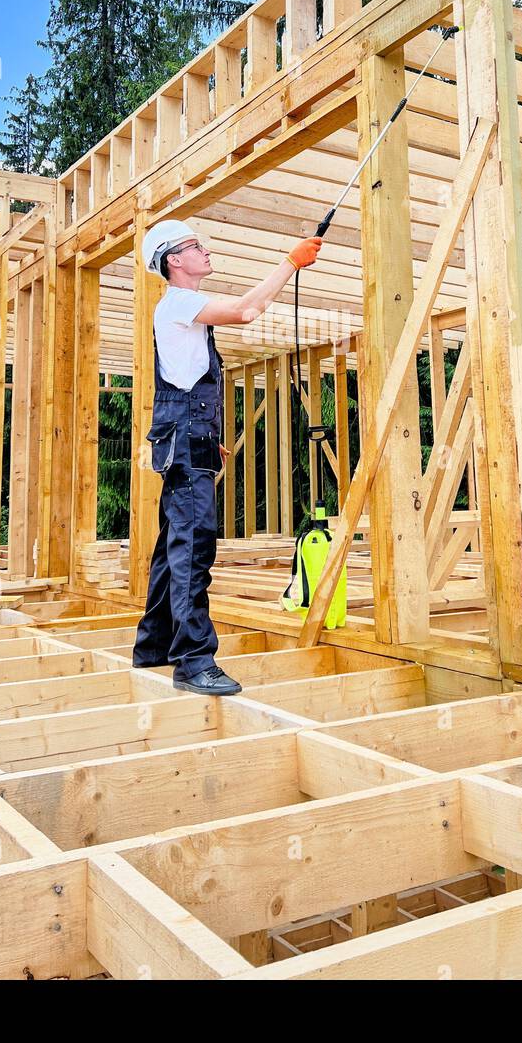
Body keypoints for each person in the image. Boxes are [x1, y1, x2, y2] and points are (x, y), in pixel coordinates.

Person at [134, 219, 322, 695]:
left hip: (186, 439)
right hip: (184, 440)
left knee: (173, 545)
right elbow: (246, 310)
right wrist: (290, 263)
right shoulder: (178, 302)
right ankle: (194, 662)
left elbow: (184, 382)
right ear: (174, 260)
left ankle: (153, 646)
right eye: (195, 246)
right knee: (193, 547)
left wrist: (203, 436)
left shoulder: (182, 309)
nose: (206, 250)